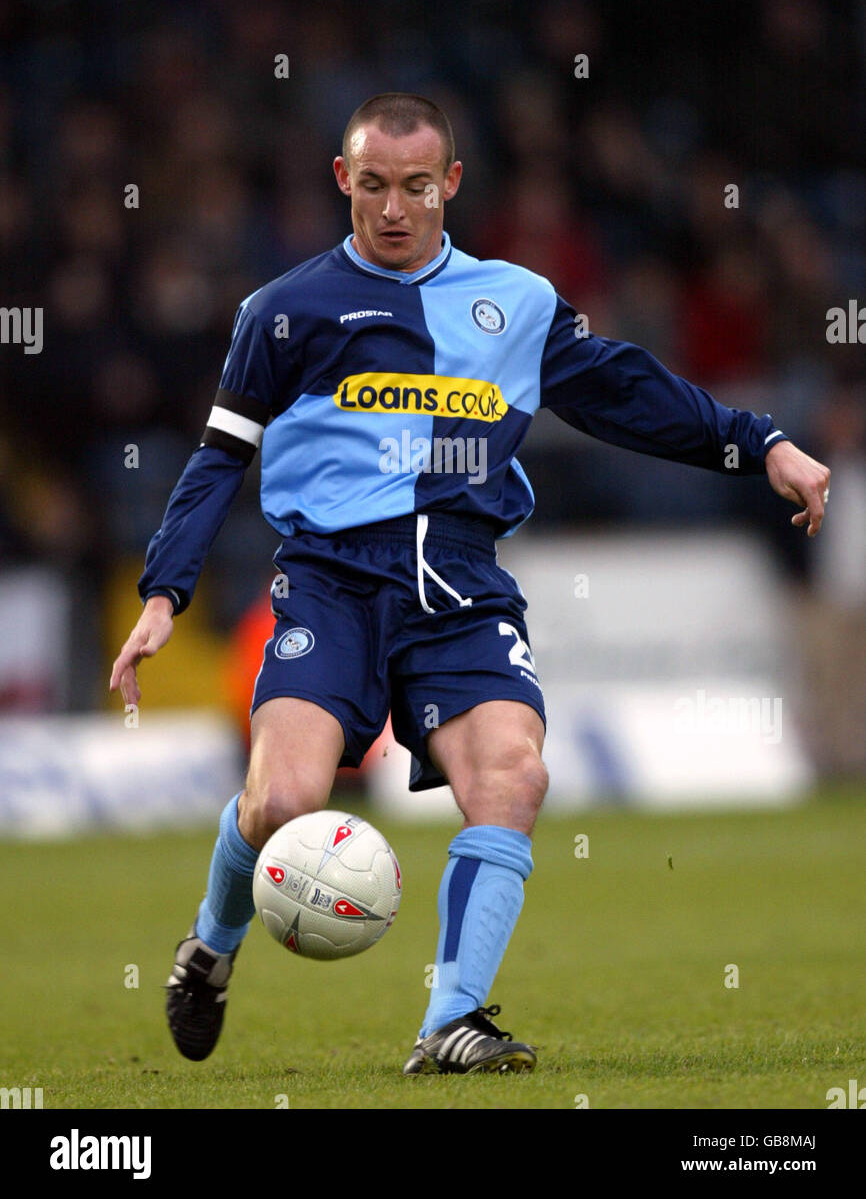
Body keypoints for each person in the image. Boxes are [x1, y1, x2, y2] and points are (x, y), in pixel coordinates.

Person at [109, 92, 830, 1076]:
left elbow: (625, 392)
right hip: (330, 580)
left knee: (512, 774)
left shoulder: (516, 303)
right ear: (341, 180)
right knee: (280, 801)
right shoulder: (280, 313)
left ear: (449, 183)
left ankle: (450, 1021)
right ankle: (209, 946)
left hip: (456, 582)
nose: (393, 208)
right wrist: (164, 594)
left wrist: (762, 443)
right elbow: (214, 461)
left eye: (414, 187)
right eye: (371, 186)